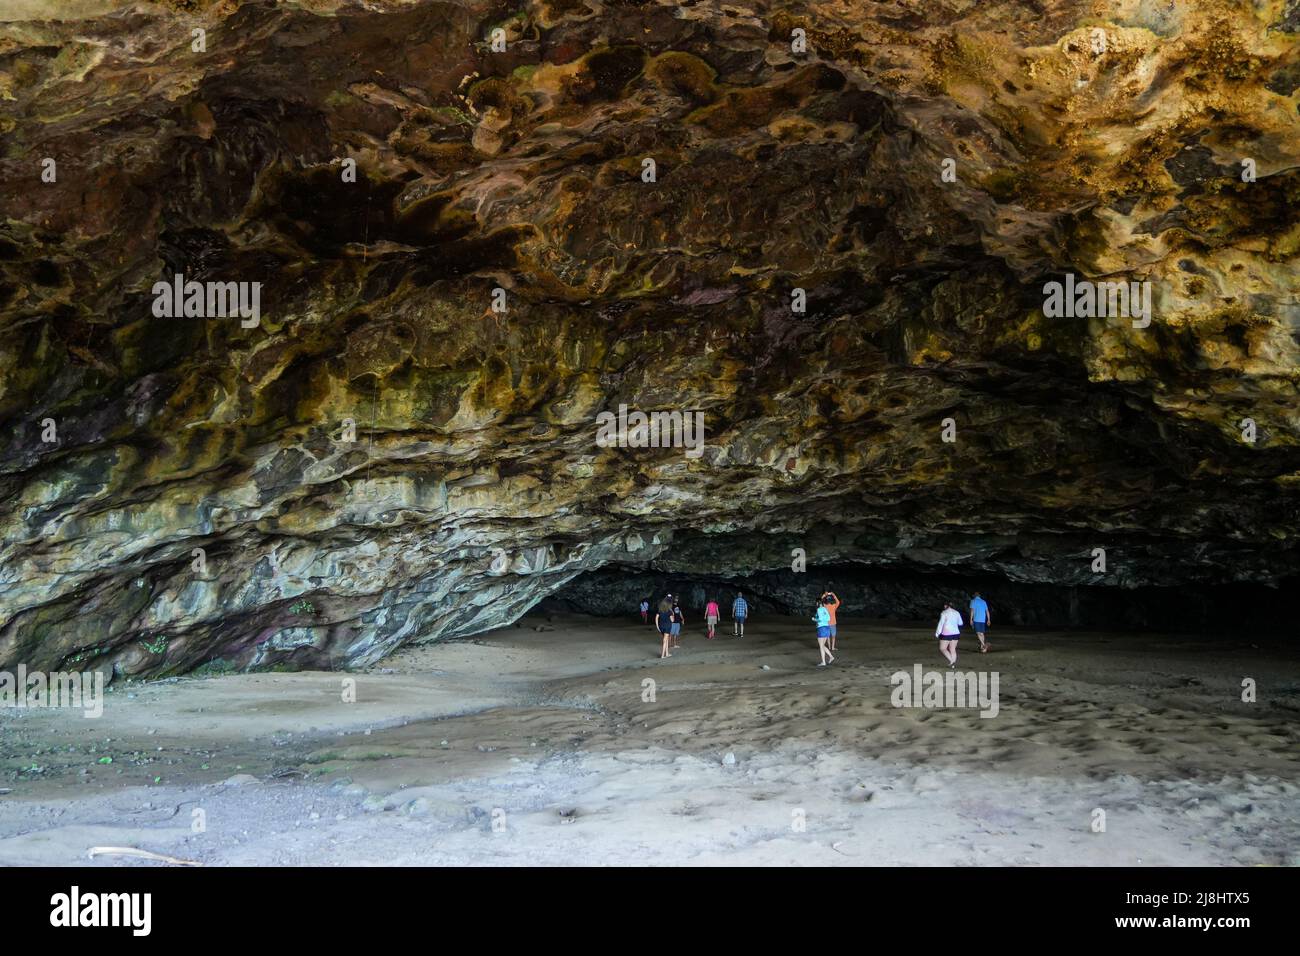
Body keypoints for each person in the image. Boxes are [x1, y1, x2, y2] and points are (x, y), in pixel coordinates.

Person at [935, 601, 962, 668]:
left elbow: (941, 624)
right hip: (956, 633)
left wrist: (937, 633)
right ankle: (952, 664)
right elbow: (961, 623)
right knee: (952, 649)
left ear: (945, 606)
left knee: (942, 648)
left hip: (946, 633)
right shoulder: (957, 612)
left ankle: (952, 662)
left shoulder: (944, 613)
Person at [814, 597, 835, 666]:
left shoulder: (818, 609)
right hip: (827, 628)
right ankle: (831, 657)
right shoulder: (825, 609)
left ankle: (823, 662)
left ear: (818, 603)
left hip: (821, 628)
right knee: (822, 645)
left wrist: (814, 619)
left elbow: (819, 619)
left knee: (821, 646)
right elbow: (828, 618)